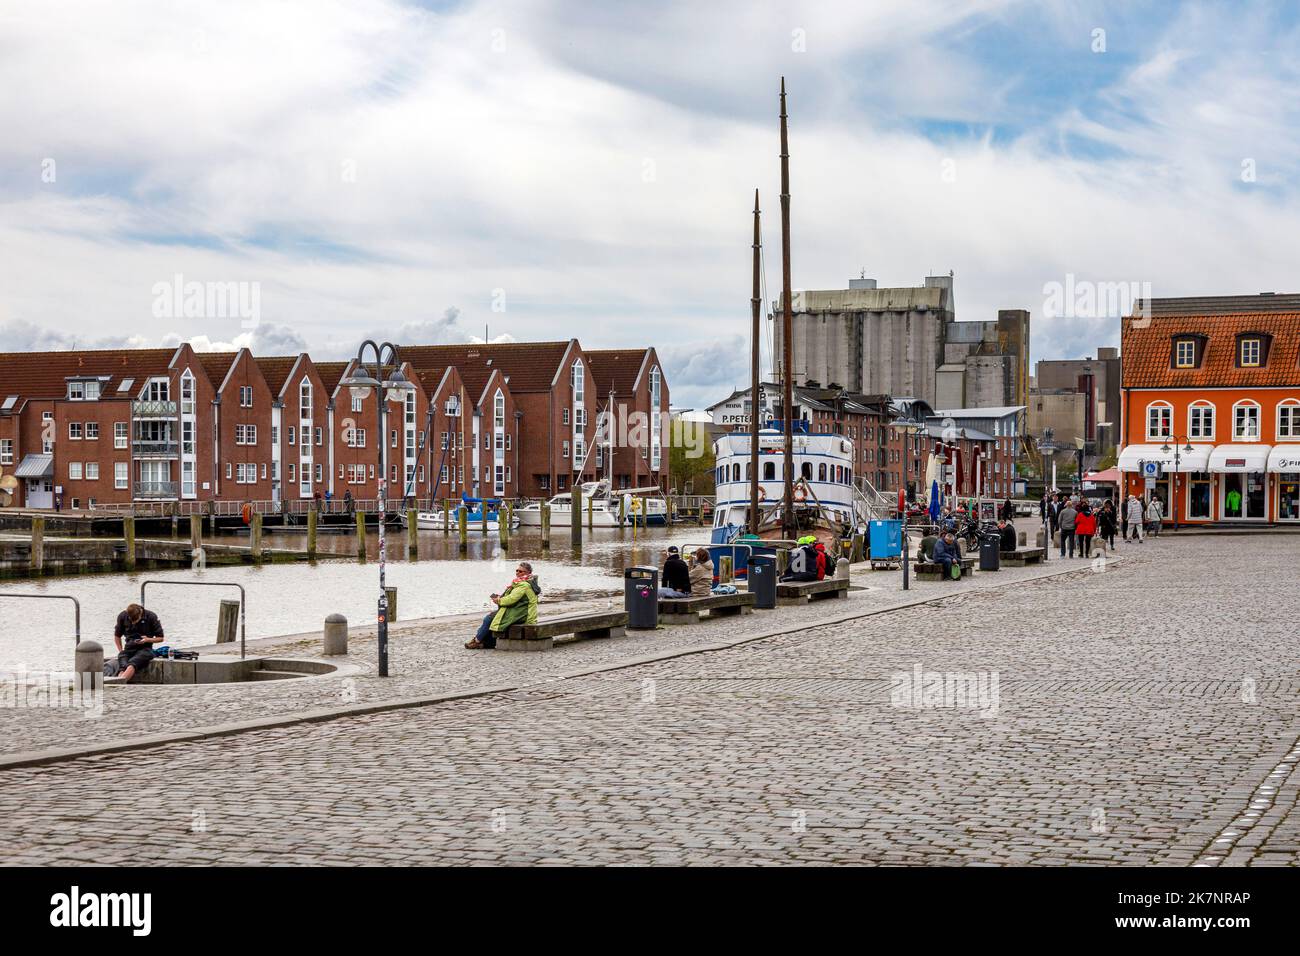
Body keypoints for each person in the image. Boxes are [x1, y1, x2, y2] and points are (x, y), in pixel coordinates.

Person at [465, 562, 540, 649]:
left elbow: (511, 599)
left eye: (521, 571)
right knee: (494, 617)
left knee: (489, 618)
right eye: (517, 570)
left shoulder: (524, 585)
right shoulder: (526, 582)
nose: (518, 573)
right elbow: (513, 598)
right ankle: (487, 643)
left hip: (523, 614)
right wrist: (500, 598)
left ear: (528, 573)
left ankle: (477, 641)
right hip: (520, 610)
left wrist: (499, 601)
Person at [113, 603, 165, 682]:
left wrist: (148, 639)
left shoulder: (151, 616)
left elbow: (161, 638)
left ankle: (120, 684)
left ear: (140, 613)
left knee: (132, 664)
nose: (134, 623)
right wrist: (121, 651)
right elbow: (117, 636)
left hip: (145, 649)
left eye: (136, 620)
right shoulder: (122, 616)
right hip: (128, 648)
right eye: (131, 621)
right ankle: (118, 682)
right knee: (123, 666)